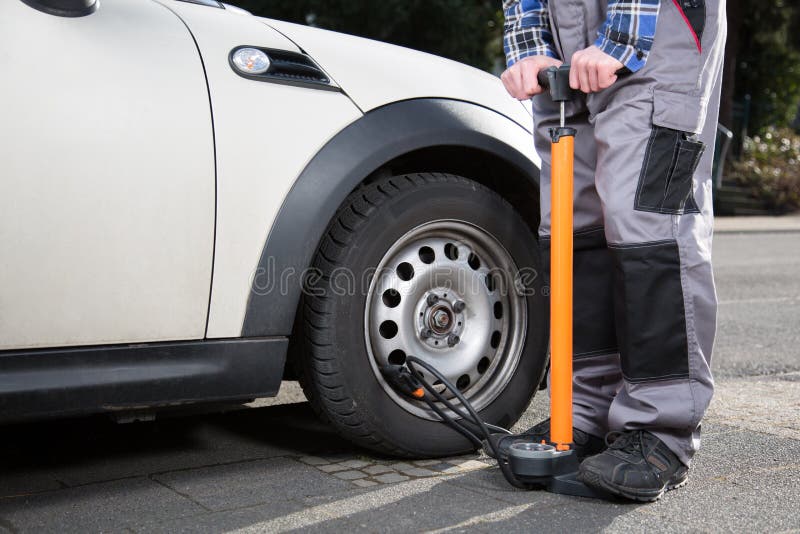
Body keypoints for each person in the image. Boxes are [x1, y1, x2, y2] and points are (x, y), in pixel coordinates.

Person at [498, 0, 726, 501]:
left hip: (656, 21)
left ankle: (662, 429)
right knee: (573, 224)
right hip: (565, 28)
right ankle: (585, 414)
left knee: (648, 222)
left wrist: (622, 37)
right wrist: (531, 45)